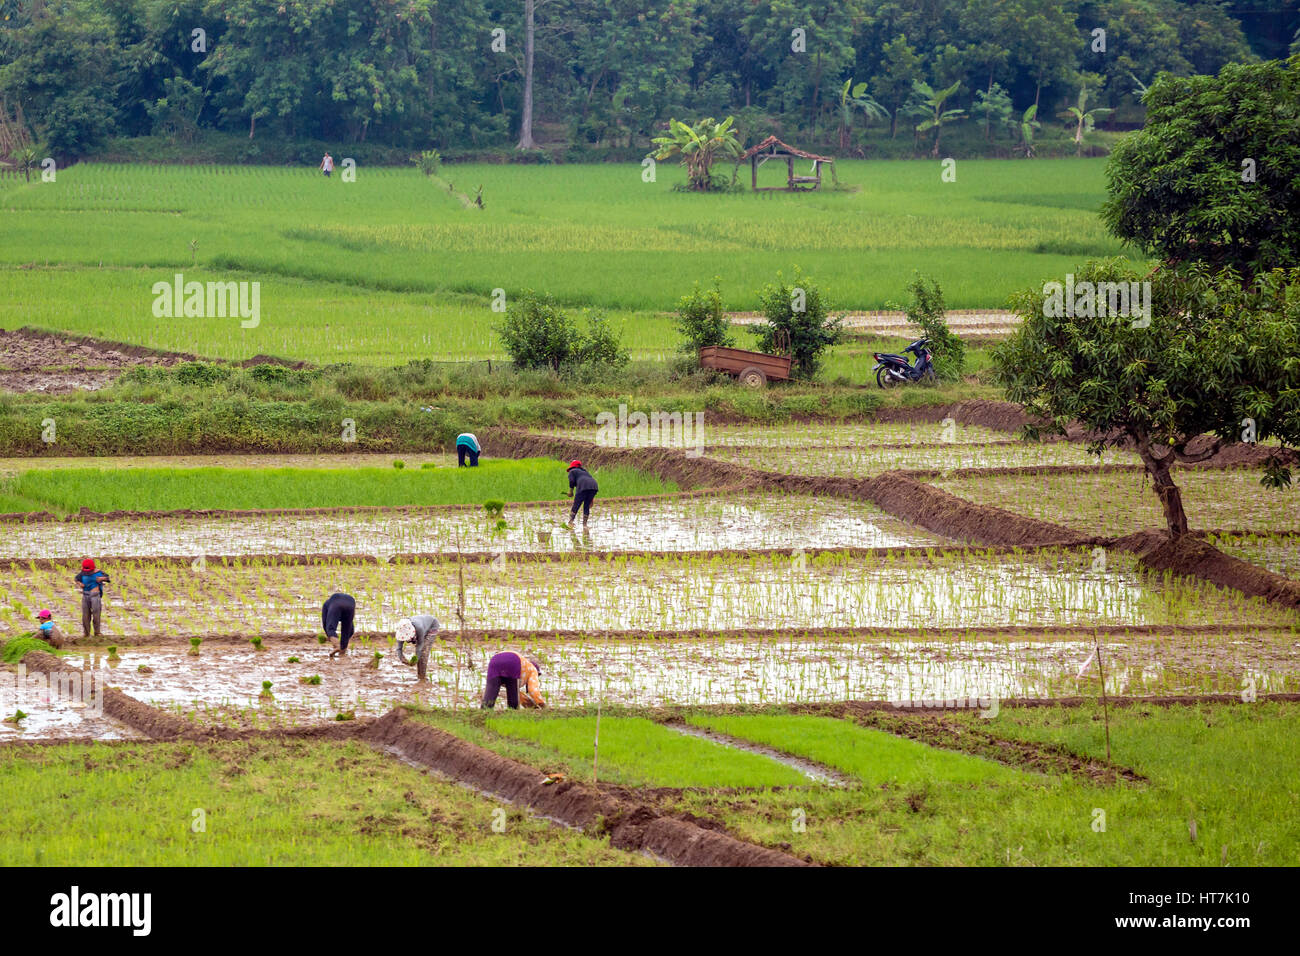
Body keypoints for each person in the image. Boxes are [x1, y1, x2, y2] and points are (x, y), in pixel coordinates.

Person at [482, 651, 546, 709]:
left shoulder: (524, 667)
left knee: (488, 703)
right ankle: (512, 713)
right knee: (513, 706)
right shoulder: (533, 669)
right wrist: (542, 705)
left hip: (494, 660)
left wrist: (531, 707)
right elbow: (533, 690)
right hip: (513, 661)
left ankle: (484, 714)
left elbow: (519, 695)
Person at [394, 614, 440, 679]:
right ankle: (420, 675)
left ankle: (421, 677)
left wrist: (416, 659)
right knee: (417, 647)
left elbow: (419, 646)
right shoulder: (401, 629)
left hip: (432, 626)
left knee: (423, 652)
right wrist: (402, 658)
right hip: (421, 625)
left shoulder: (419, 628)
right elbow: (399, 648)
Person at [73, 558, 109, 639]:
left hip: (95, 596)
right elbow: (76, 579)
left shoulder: (99, 572)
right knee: (85, 615)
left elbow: (108, 578)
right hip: (85, 595)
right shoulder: (82, 573)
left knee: (96, 614)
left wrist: (101, 579)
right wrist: (80, 583)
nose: (87, 572)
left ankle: (97, 632)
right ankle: (86, 633)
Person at [565, 460, 598, 529]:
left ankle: (570, 522)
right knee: (586, 505)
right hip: (594, 486)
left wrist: (571, 491)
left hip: (583, 486)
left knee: (576, 504)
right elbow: (589, 482)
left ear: (572, 467)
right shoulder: (585, 472)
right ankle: (585, 525)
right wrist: (591, 499)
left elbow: (571, 481)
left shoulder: (572, 471)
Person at [322, 592, 356, 658]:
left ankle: (337, 646)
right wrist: (343, 642)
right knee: (346, 630)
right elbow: (351, 630)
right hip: (351, 603)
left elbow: (325, 624)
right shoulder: (331, 603)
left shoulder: (326, 605)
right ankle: (342, 652)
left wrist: (330, 636)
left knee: (330, 628)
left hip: (336, 604)